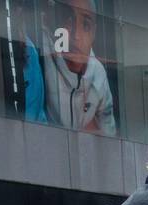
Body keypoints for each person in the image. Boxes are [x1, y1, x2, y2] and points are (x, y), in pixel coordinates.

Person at [42, 0, 116, 136]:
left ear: (94, 33)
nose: (76, 35)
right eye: (68, 21)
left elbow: (109, 137)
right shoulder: (43, 53)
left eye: (86, 25)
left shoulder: (98, 75)